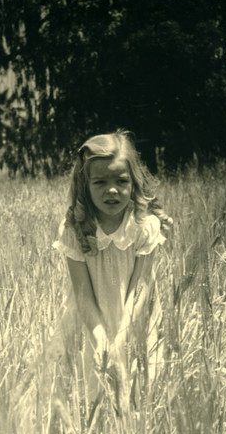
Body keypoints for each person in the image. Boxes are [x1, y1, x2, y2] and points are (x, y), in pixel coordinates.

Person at [52, 130, 172, 408]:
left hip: (136, 322)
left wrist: (121, 338)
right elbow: (82, 296)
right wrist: (102, 340)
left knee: (138, 398)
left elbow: (141, 288)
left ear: (133, 182)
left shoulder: (144, 226)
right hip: (92, 324)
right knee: (94, 398)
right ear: (85, 184)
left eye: (121, 180)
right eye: (100, 182)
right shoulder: (74, 230)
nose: (112, 190)